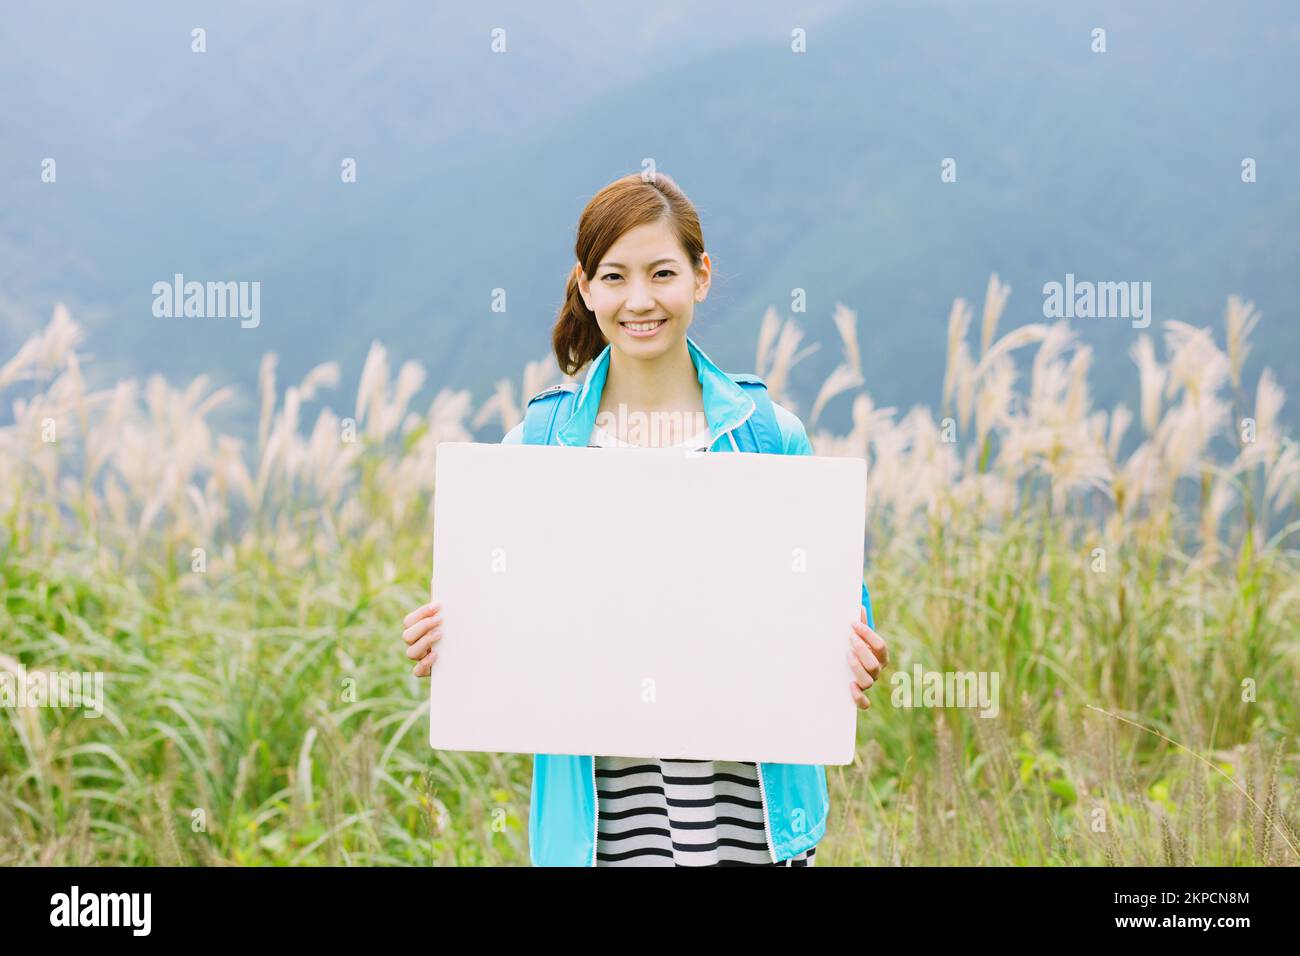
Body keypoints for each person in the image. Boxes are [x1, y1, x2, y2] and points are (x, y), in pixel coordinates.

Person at [401, 170, 888, 866]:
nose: (639, 300)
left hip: (747, 815)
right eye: (614, 276)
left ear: (702, 276)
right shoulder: (535, 446)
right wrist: (447, 638)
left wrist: (858, 650)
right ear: (586, 286)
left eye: (662, 273)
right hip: (606, 825)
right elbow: (496, 604)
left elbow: (837, 609)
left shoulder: (770, 435)